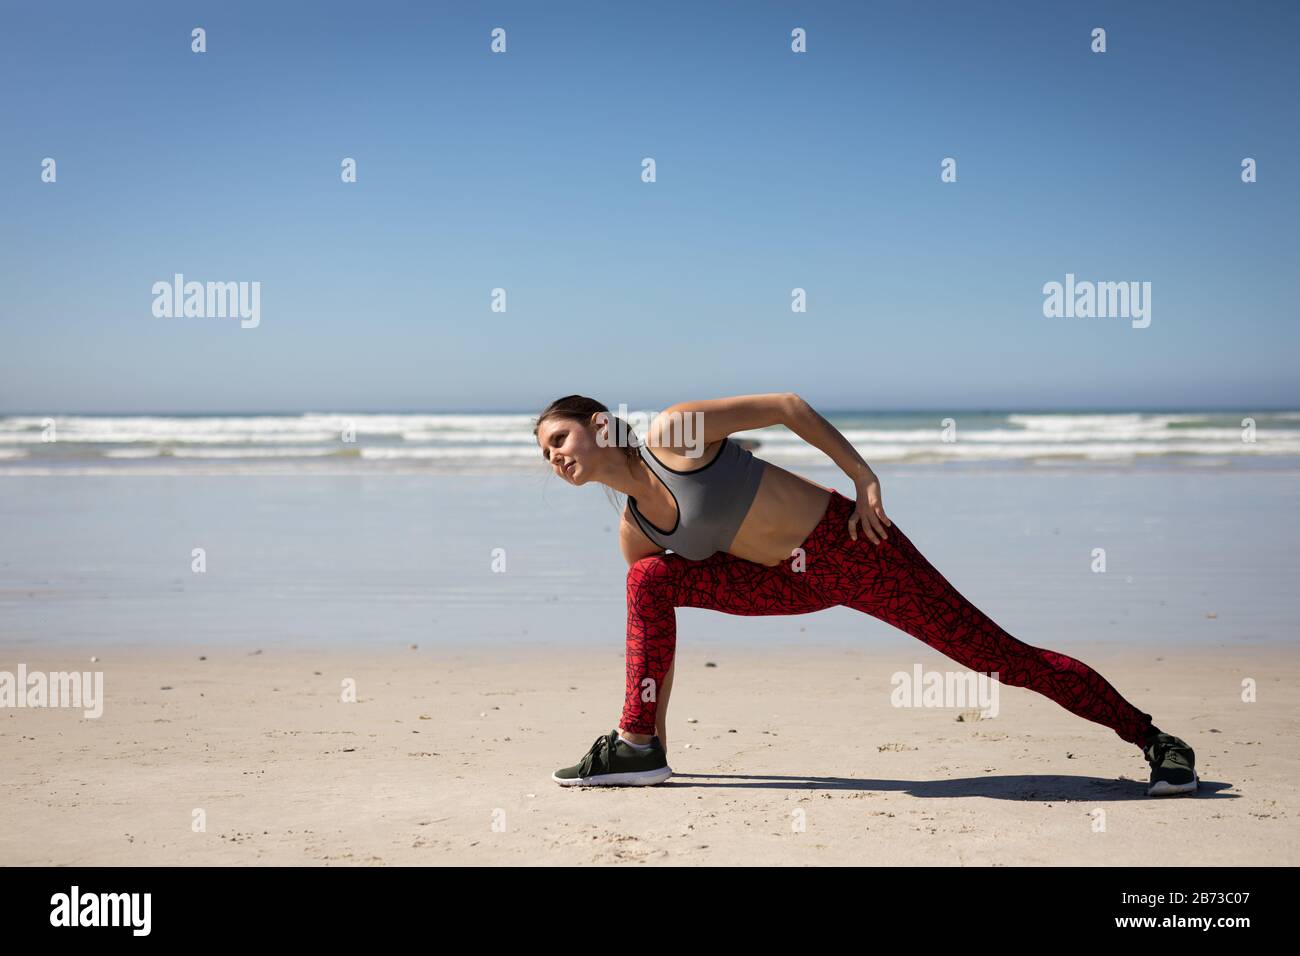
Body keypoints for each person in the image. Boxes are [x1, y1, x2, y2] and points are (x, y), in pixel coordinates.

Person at [533, 393, 1198, 796]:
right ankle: (638, 747)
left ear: (599, 423)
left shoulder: (674, 434)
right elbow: (658, 642)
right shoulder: (635, 530)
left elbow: (788, 406)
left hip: (856, 548)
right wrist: (655, 729)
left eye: (558, 439)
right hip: (781, 583)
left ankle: (1155, 741)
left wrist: (864, 480)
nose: (555, 457)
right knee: (648, 580)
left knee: (995, 657)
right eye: (544, 455)